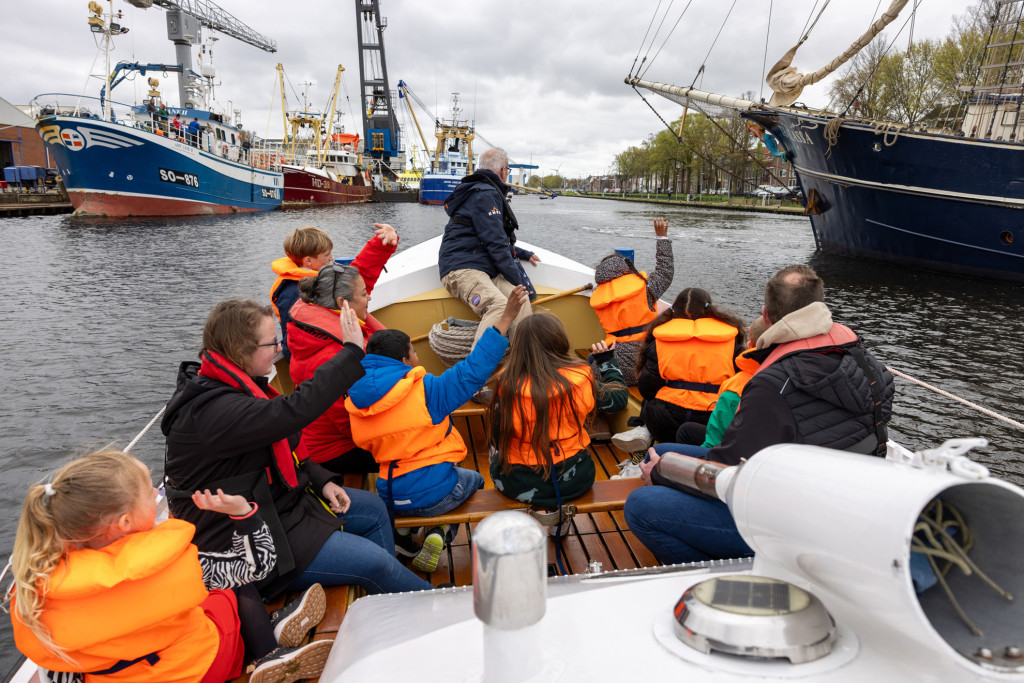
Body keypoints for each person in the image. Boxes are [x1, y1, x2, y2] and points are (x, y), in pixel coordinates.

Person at [162, 299, 433, 602]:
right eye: (272, 343)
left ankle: (387, 605)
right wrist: (352, 354)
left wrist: (320, 479)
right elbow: (293, 411)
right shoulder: (213, 411)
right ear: (241, 351)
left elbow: (280, 446)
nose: (279, 350)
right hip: (248, 537)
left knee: (373, 509)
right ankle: (436, 607)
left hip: (279, 506)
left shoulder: (237, 385)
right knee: (375, 562)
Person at [623, 264, 895, 564]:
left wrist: (664, 473)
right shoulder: (868, 364)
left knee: (640, 505)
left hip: (792, 525)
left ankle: (723, 574)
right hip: (845, 505)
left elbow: (727, 471)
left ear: (766, 316)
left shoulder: (773, 384)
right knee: (663, 450)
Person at [7, 450, 332, 683]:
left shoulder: (36, 590)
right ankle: (266, 653)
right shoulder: (173, 563)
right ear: (125, 522)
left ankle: (270, 626)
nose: (156, 494)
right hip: (200, 669)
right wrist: (243, 513)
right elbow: (259, 564)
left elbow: (60, 669)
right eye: (149, 492)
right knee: (226, 593)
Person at [346, 287, 528, 573]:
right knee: (475, 480)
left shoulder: (355, 398)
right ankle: (440, 532)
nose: (417, 358)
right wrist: (505, 318)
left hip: (390, 495)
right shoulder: (429, 392)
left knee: (415, 492)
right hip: (435, 496)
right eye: (414, 353)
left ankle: (404, 537)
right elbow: (473, 370)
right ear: (405, 361)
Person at [287, 224, 399, 474]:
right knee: (420, 450)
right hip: (333, 451)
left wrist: (382, 245)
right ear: (343, 303)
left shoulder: (325, 311)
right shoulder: (334, 355)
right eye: (364, 294)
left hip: (341, 436)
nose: (368, 297)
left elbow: (358, 280)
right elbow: (349, 423)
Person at [488, 313, 628, 513]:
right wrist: (606, 362)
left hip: (517, 483)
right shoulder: (581, 378)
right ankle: (559, 520)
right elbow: (619, 399)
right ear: (560, 341)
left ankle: (522, 521)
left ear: (518, 347)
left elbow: (496, 439)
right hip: (576, 479)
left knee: (496, 455)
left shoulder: (506, 385)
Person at [611, 288, 746, 452]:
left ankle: (645, 432)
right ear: (709, 311)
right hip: (709, 422)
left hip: (665, 423)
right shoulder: (733, 346)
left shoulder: (660, 341)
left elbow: (646, 388)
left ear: (674, 311)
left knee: (652, 395)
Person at [438, 147, 537, 349]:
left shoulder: (479, 190)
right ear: (502, 170)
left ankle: (522, 364)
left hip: (481, 265)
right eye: (507, 170)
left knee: (521, 299)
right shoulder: (486, 194)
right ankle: (476, 376)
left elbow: (493, 238)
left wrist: (524, 254)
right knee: (501, 306)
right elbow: (496, 244)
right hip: (461, 267)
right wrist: (519, 282)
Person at [590, 217, 674, 385]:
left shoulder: (598, 296)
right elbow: (665, 271)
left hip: (614, 362)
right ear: (626, 268)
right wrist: (662, 238)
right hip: (644, 363)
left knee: (592, 360)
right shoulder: (645, 289)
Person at [269, 226, 335, 360]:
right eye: (327, 255)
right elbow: (290, 333)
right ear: (309, 261)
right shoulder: (292, 292)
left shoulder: (312, 281)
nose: (331, 258)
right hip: (308, 359)